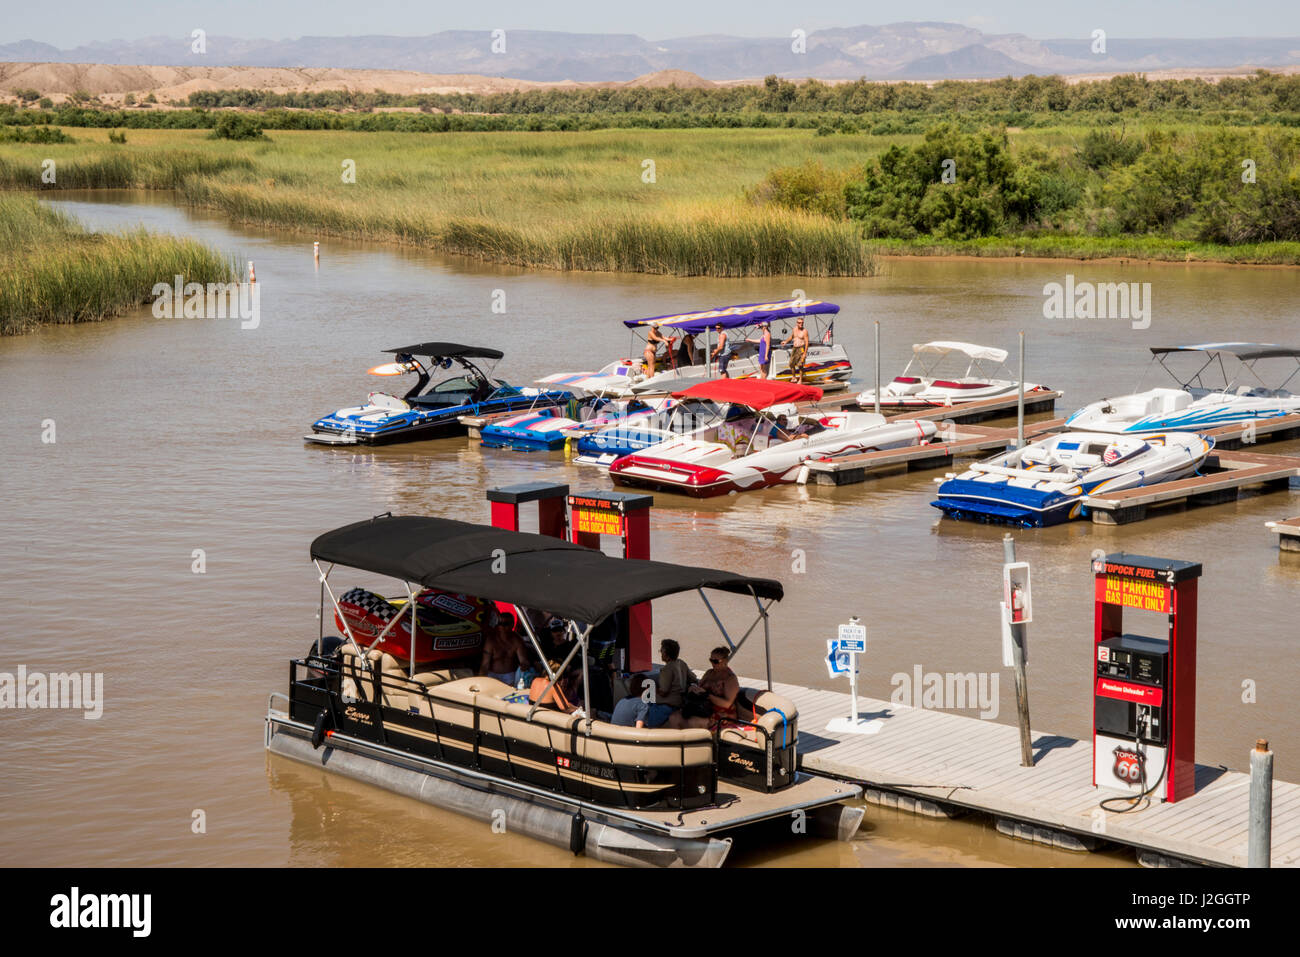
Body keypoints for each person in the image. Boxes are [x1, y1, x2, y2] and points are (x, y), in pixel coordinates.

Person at [684, 646, 740, 730]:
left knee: (691, 722)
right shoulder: (709, 673)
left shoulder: (730, 678)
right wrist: (694, 688)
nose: (712, 663)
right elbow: (699, 688)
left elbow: (727, 704)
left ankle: (691, 741)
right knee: (674, 717)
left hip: (722, 715)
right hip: (703, 709)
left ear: (725, 661)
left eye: (716, 661)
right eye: (711, 660)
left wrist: (707, 695)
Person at [478, 605, 531, 686]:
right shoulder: (491, 640)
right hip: (493, 675)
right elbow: (485, 664)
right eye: (500, 623)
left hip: (510, 676)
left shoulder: (517, 640)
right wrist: (480, 682)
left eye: (505, 624)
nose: (502, 626)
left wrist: (524, 666)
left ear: (512, 624)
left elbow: (523, 660)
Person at [781, 316, 809, 384]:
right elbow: (792, 336)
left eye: (802, 323)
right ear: (797, 323)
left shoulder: (804, 331)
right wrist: (786, 341)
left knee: (800, 365)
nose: (801, 324)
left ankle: (800, 380)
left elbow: (807, 342)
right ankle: (794, 377)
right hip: (794, 348)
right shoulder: (794, 329)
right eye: (799, 323)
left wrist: (805, 353)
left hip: (801, 348)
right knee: (791, 364)